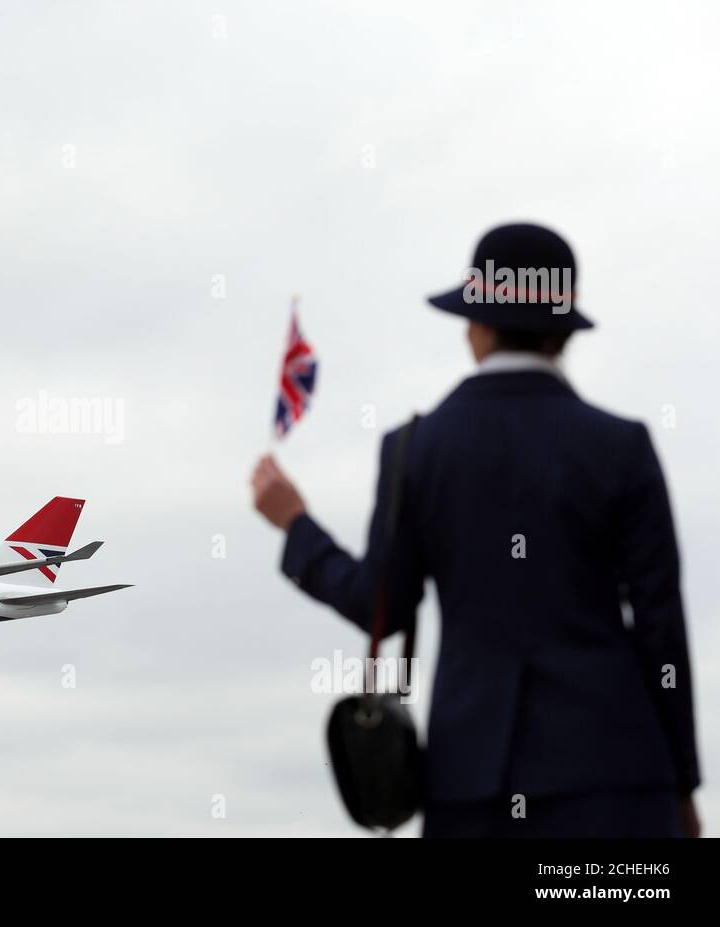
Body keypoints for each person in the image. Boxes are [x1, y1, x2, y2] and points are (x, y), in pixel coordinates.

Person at [251, 223, 701, 837]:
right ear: (562, 332)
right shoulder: (622, 446)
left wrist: (296, 525)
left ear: (477, 327)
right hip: (617, 778)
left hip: (473, 787)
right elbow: (661, 629)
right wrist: (682, 781)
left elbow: (377, 603)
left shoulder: (416, 449)